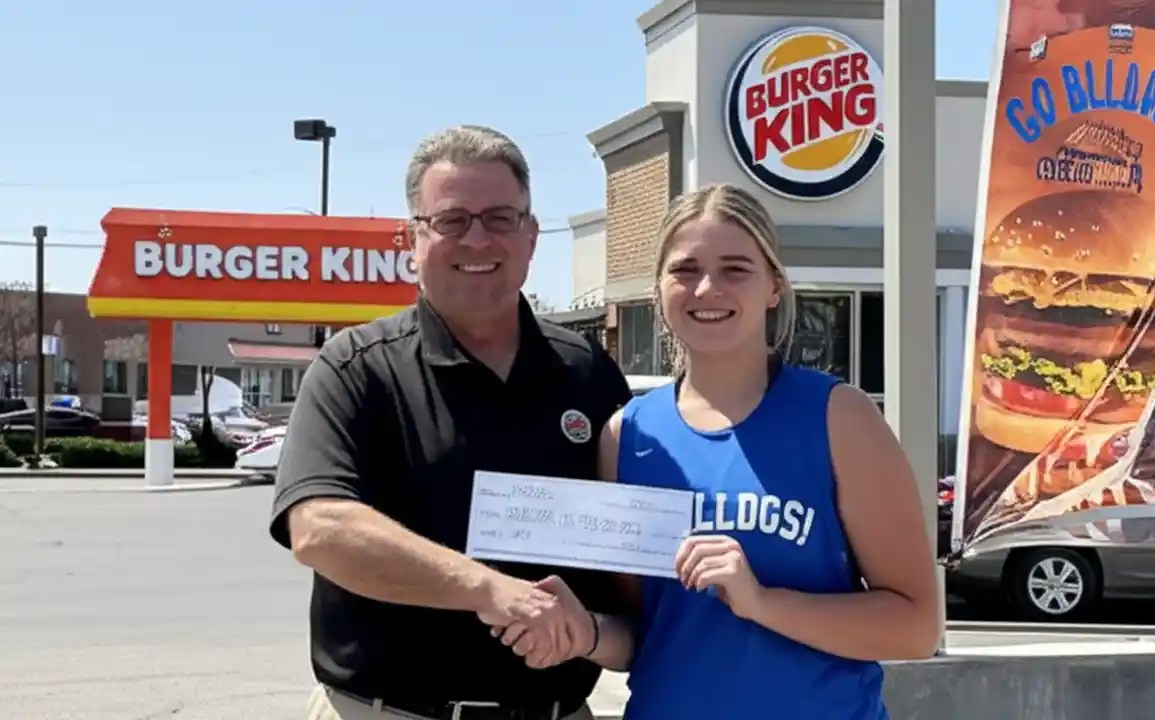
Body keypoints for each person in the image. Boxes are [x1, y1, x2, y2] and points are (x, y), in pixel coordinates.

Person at [486, 183, 941, 719]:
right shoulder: (626, 436)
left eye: (735, 269)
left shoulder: (839, 418)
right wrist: (581, 630)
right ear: (658, 289)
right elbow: (648, 633)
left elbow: (914, 628)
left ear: (773, 286)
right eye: (685, 270)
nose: (707, 288)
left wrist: (763, 603)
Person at [269, 124, 633, 720]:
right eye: (452, 220)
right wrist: (491, 591)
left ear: (532, 235)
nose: (477, 239)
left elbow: (628, 555)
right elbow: (320, 529)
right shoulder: (357, 369)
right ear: (411, 239)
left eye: (499, 218)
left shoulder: (587, 374)